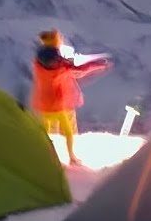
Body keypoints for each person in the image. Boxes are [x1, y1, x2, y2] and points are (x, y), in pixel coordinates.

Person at [31, 28, 111, 166]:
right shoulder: (62, 68)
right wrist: (98, 64)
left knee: (46, 133)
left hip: (43, 104)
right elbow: (80, 71)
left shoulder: (38, 64)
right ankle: (71, 157)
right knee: (68, 132)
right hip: (58, 105)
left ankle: (45, 157)